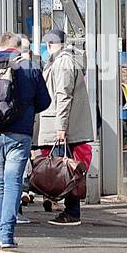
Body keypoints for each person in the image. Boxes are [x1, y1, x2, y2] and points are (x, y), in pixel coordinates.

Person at [0, 33, 51, 249]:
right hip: (20, 134)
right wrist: (26, 110)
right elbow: (45, 101)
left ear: (1, 46)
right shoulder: (30, 67)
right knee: (13, 181)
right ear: (18, 47)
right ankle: (7, 234)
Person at [34, 29, 94, 226]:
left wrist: (61, 127)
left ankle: (72, 211)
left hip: (66, 127)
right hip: (66, 125)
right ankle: (67, 208)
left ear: (51, 44)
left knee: (67, 170)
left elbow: (63, 95)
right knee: (65, 168)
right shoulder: (59, 61)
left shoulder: (63, 62)